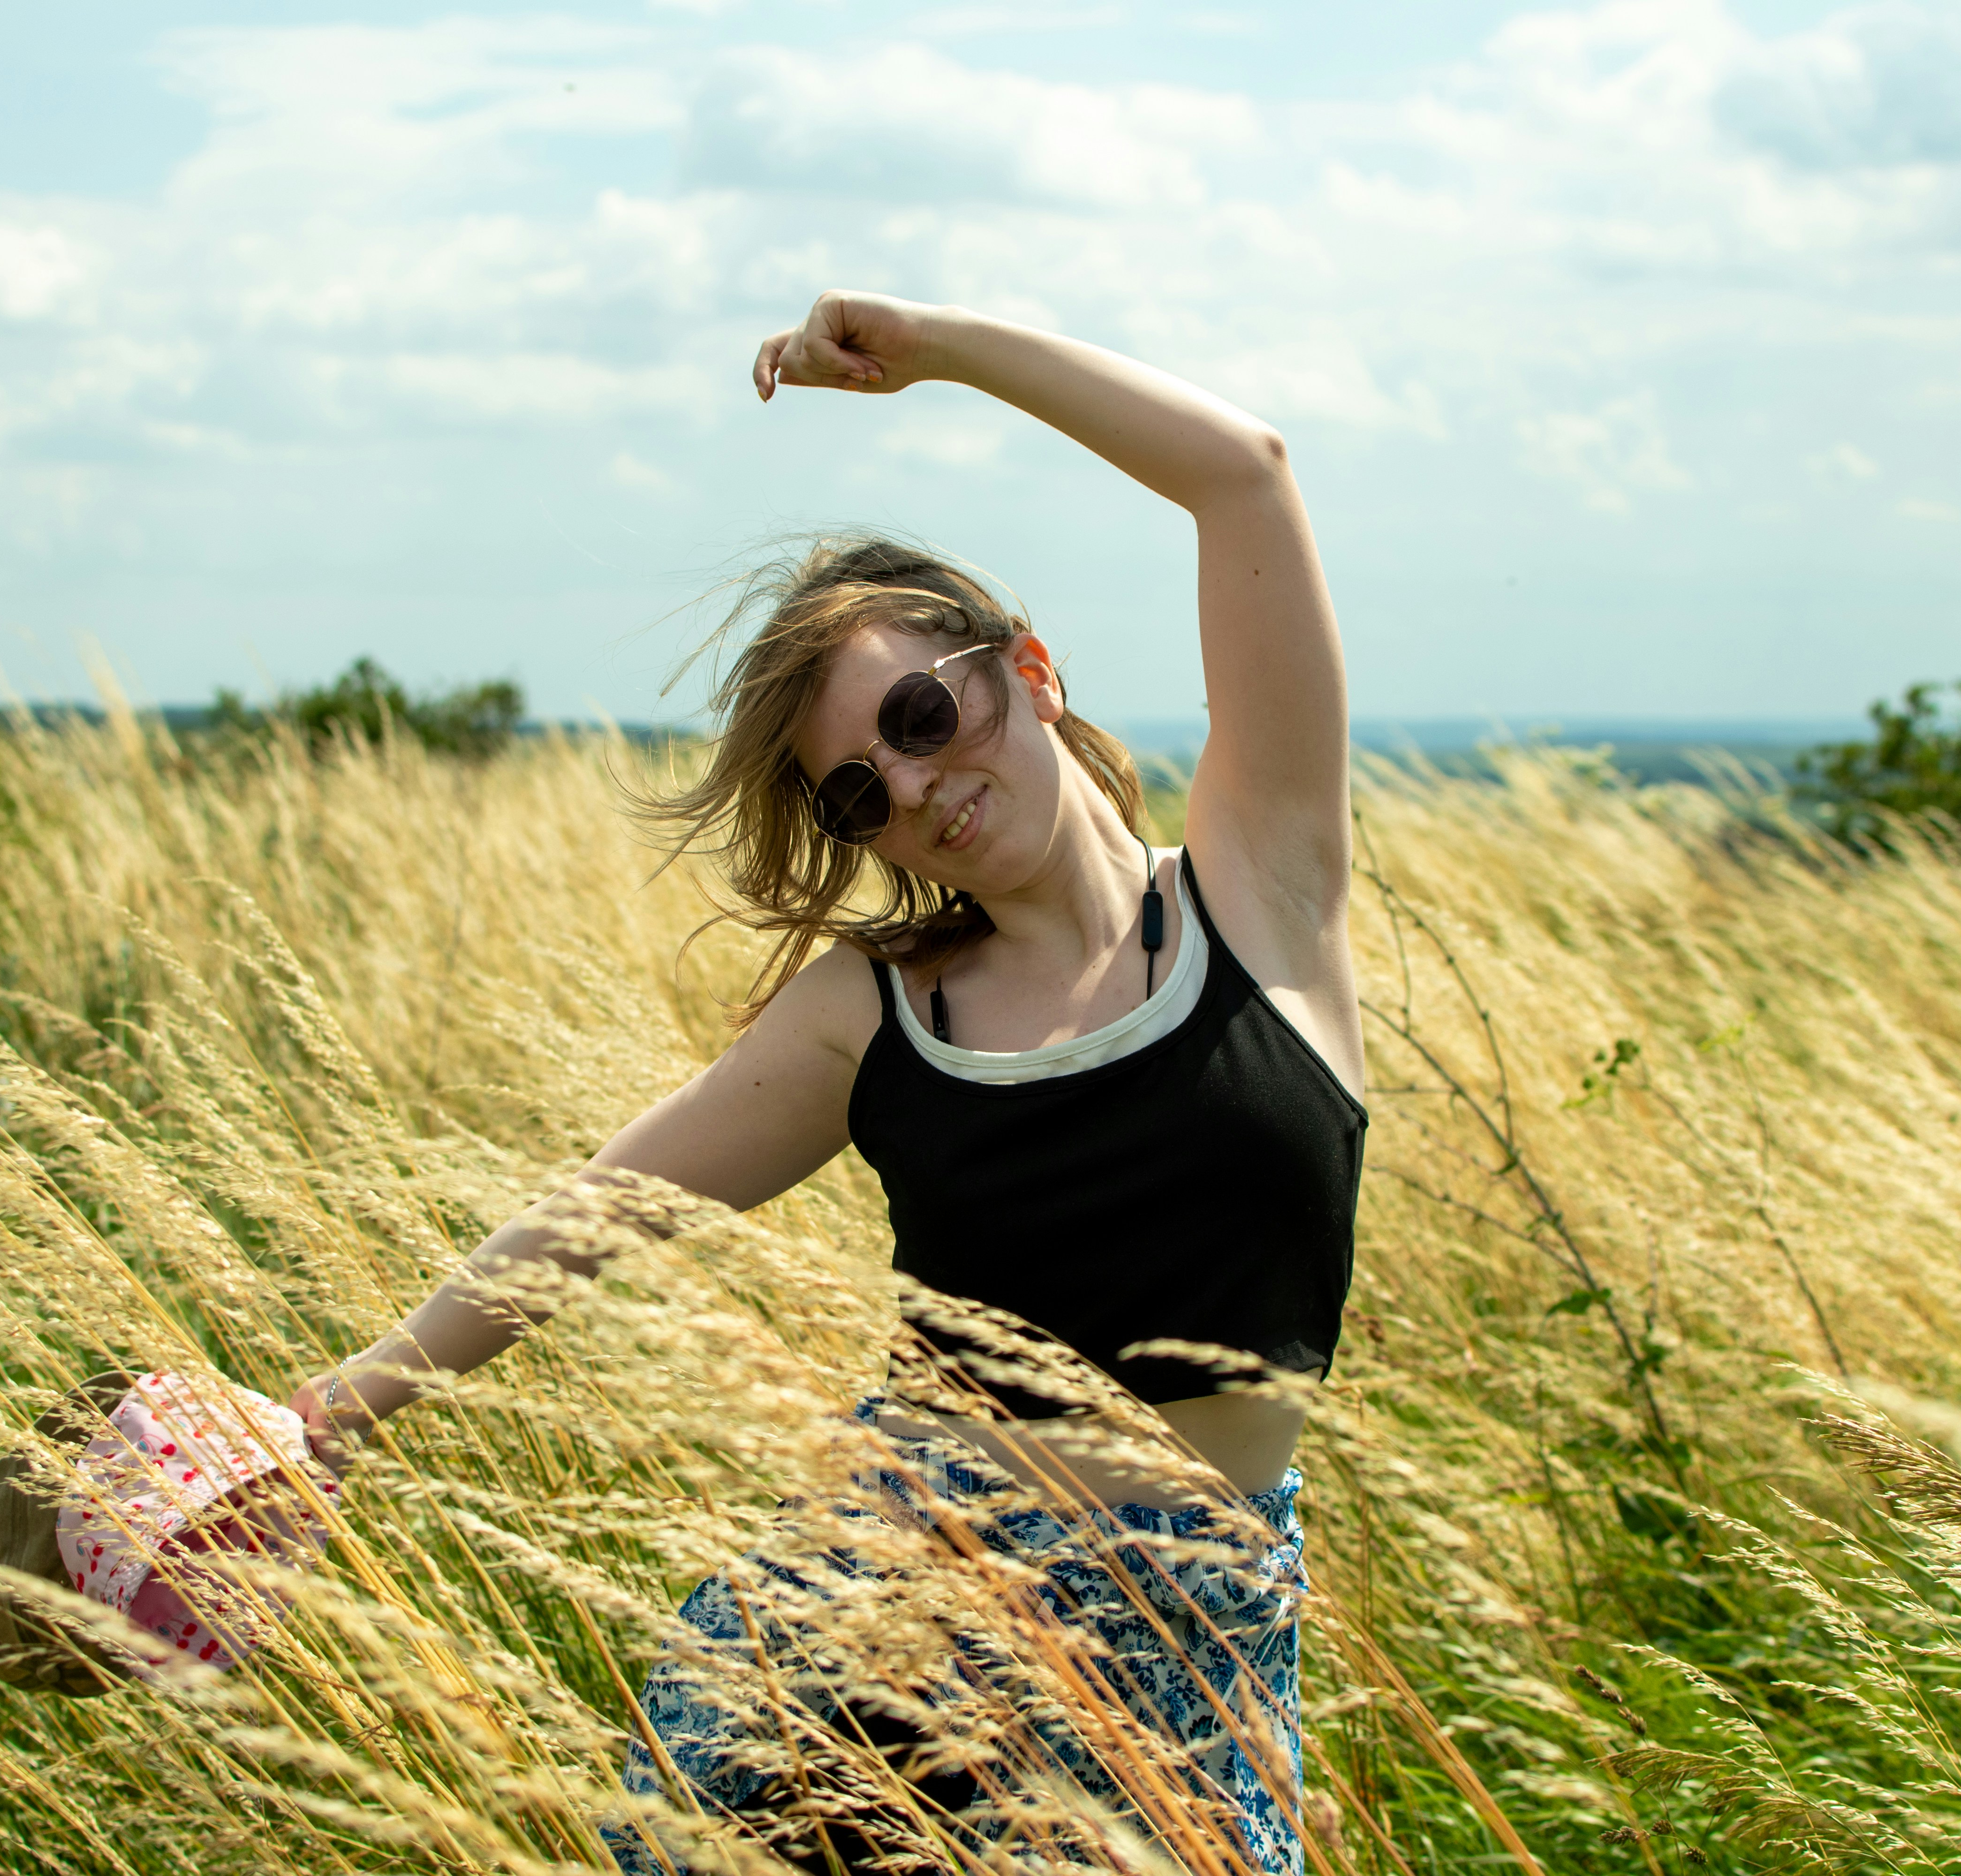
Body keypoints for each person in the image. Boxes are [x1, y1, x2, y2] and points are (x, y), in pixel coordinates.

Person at [291, 290, 1365, 1873]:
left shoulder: (1259, 893)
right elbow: (606, 1211)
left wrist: (935, 351)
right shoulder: (878, 1015)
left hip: (1185, 1662)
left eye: (924, 714)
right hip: (879, 1635)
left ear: (1034, 669)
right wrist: (336, 1414)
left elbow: (1245, 476)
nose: (920, 786)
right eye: (864, 788)